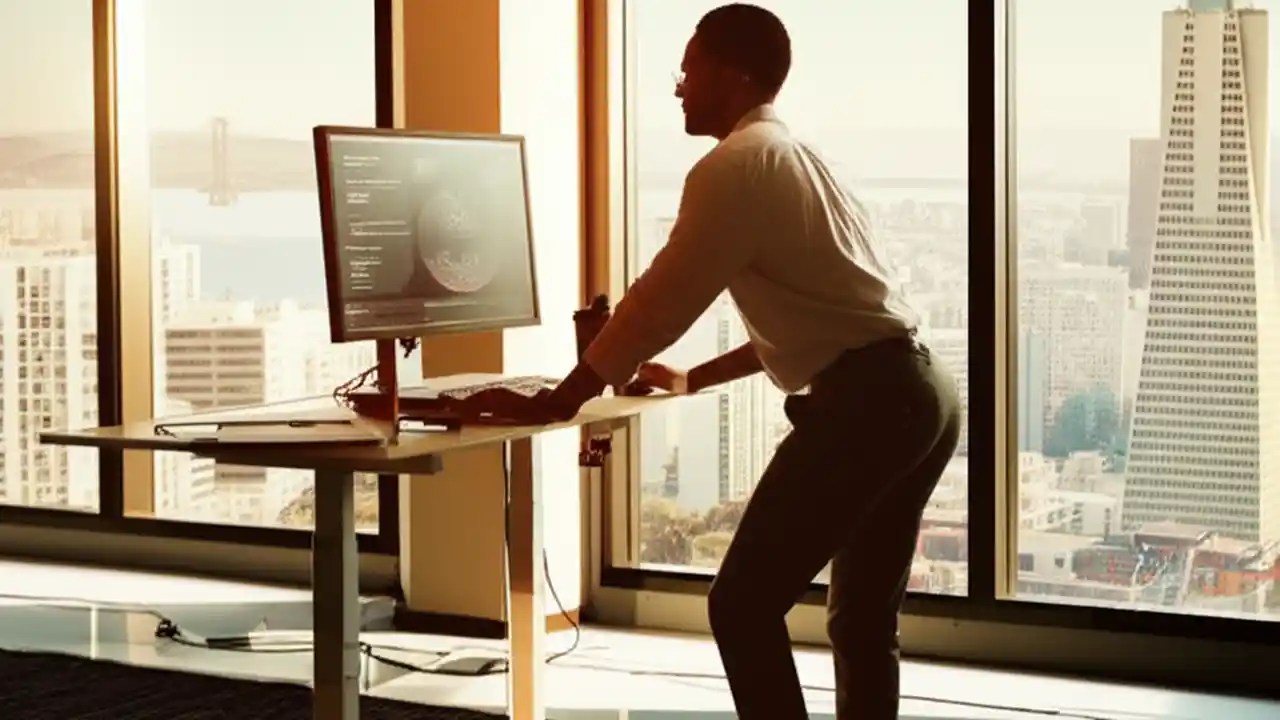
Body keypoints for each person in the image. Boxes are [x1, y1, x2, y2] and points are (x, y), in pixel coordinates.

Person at [458, 4, 961, 719]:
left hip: (874, 403)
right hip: (922, 393)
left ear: (733, 71)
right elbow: (823, 318)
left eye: (689, 70)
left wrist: (561, 399)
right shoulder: (801, 161)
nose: (678, 88)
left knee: (741, 605)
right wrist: (695, 379)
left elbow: (656, 304)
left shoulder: (735, 167)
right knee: (862, 618)